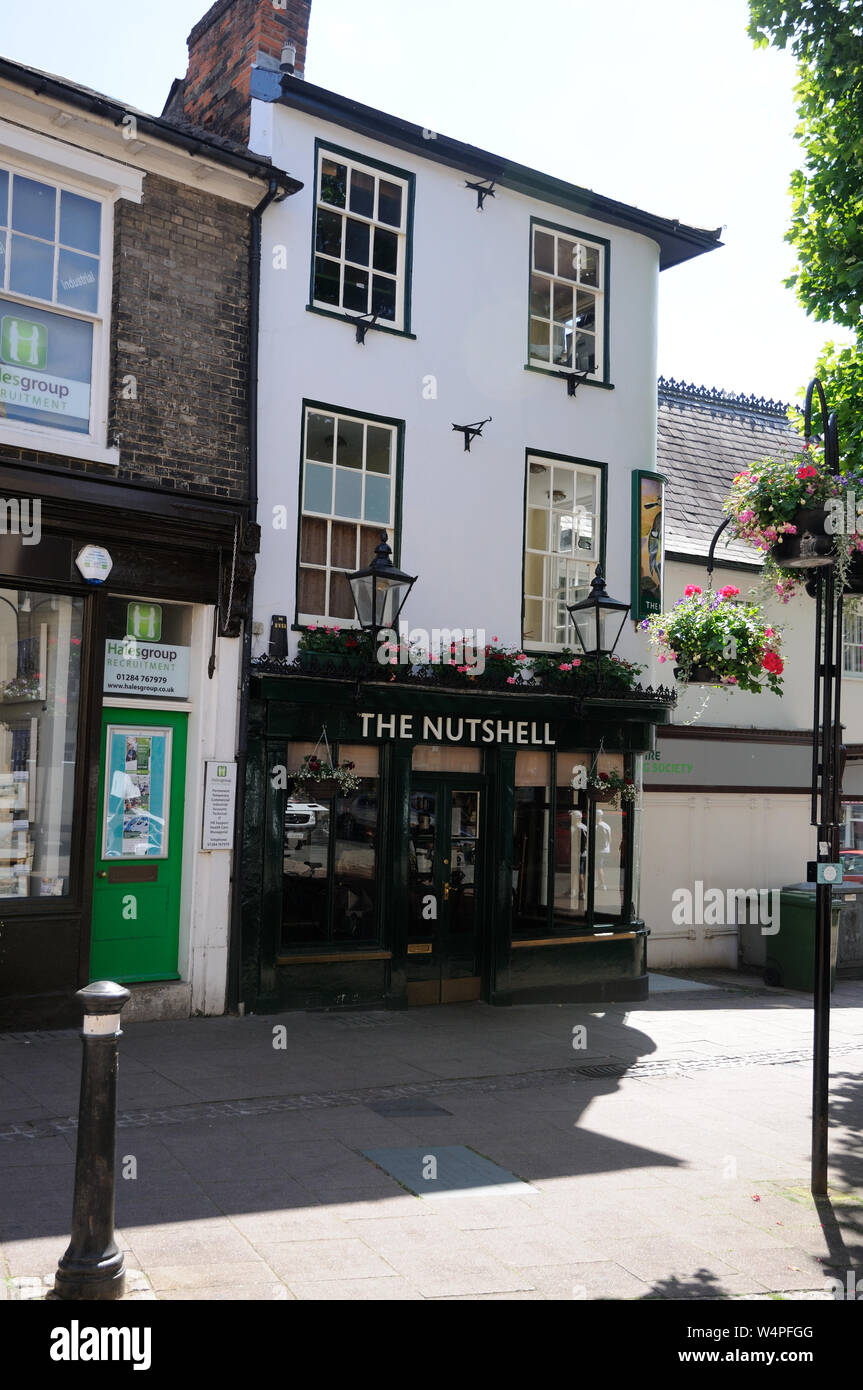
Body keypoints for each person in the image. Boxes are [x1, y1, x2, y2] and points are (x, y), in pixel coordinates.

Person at [596, 808, 612, 890]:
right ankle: (600, 882)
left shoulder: (595, 826)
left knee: (599, 867)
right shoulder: (607, 826)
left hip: (598, 850)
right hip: (605, 849)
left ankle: (602, 884)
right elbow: (610, 839)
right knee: (600, 866)